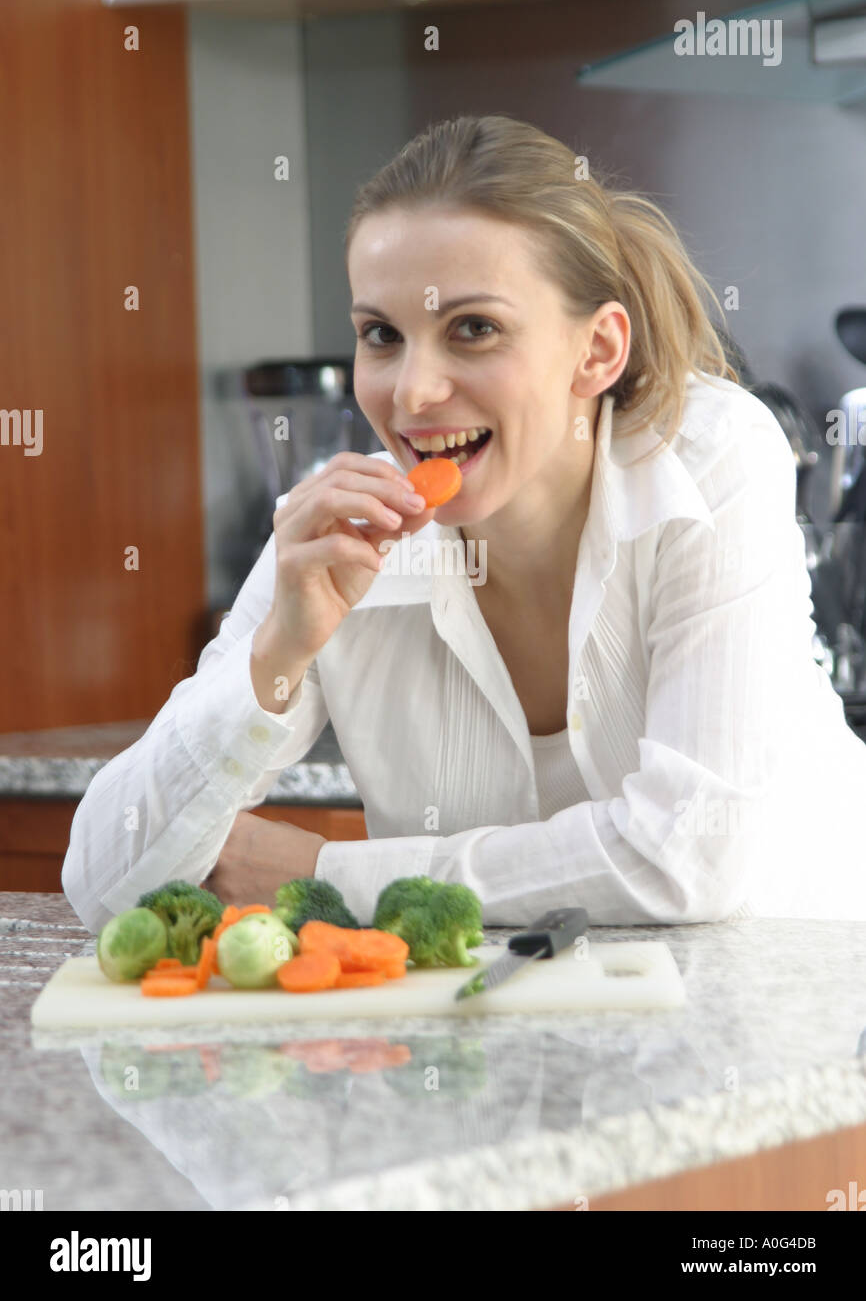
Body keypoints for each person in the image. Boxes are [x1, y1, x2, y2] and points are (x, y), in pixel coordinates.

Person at [63, 114, 866, 932]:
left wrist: (322, 879)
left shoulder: (706, 457)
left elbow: (687, 858)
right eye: (381, 335)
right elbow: (102, 882)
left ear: (597, 351)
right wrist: (276, 655)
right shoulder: (342, 538)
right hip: (499, 1041)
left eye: (473, 330)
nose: (412, 394)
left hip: (796, 1017)